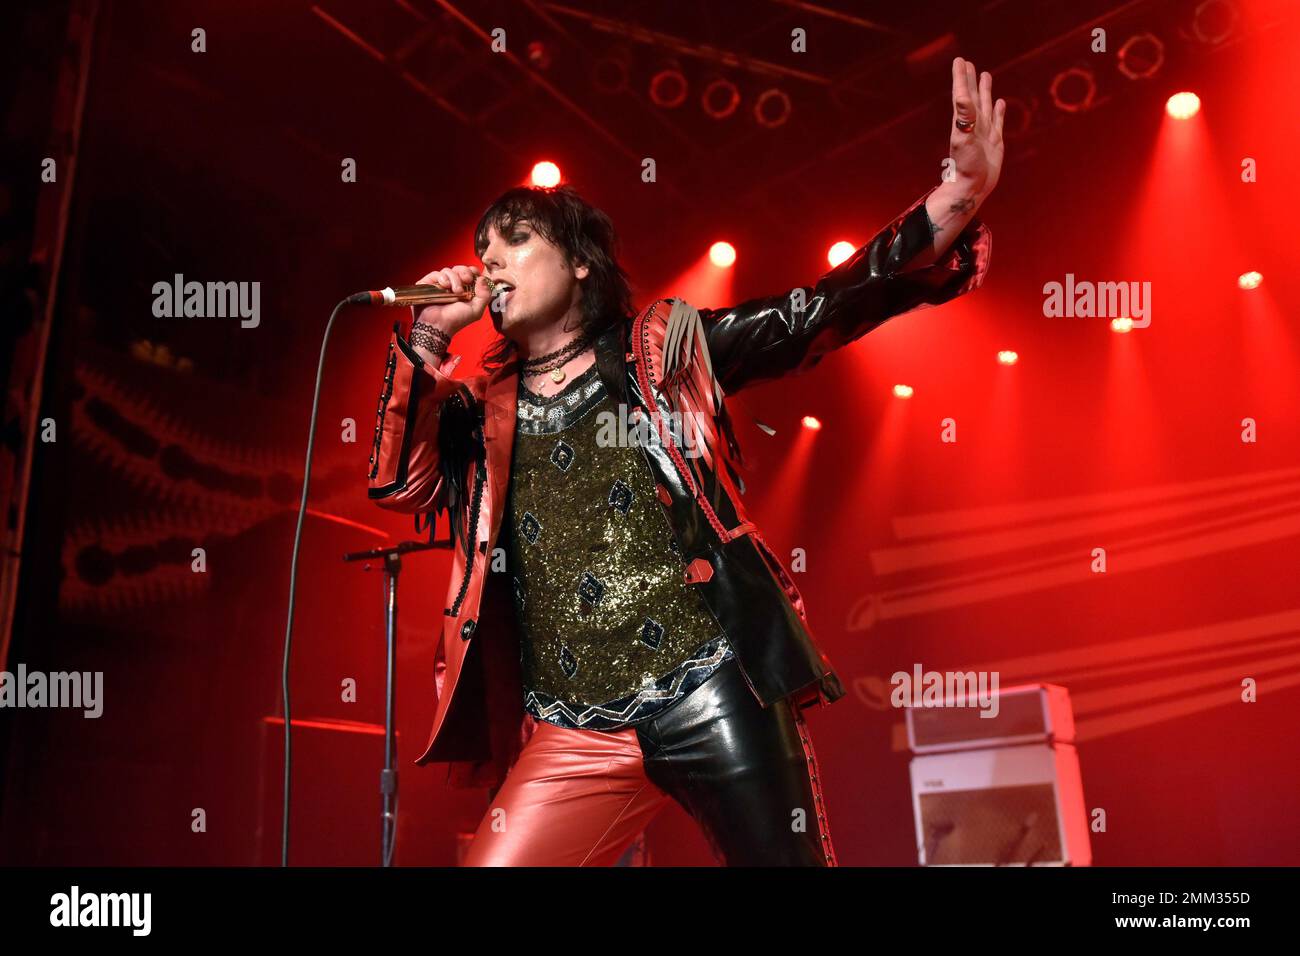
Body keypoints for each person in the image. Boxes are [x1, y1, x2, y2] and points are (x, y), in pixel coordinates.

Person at [368, 57, 1003, 866]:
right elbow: (395, 483)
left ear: (581, 263)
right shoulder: (475, 411)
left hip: (710, 689)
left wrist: (954, 198)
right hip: (572, 730)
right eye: (482, 248)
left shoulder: (658, 353)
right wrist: (425, 339)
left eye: (516, 241)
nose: (490, 263)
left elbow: (812, 312)